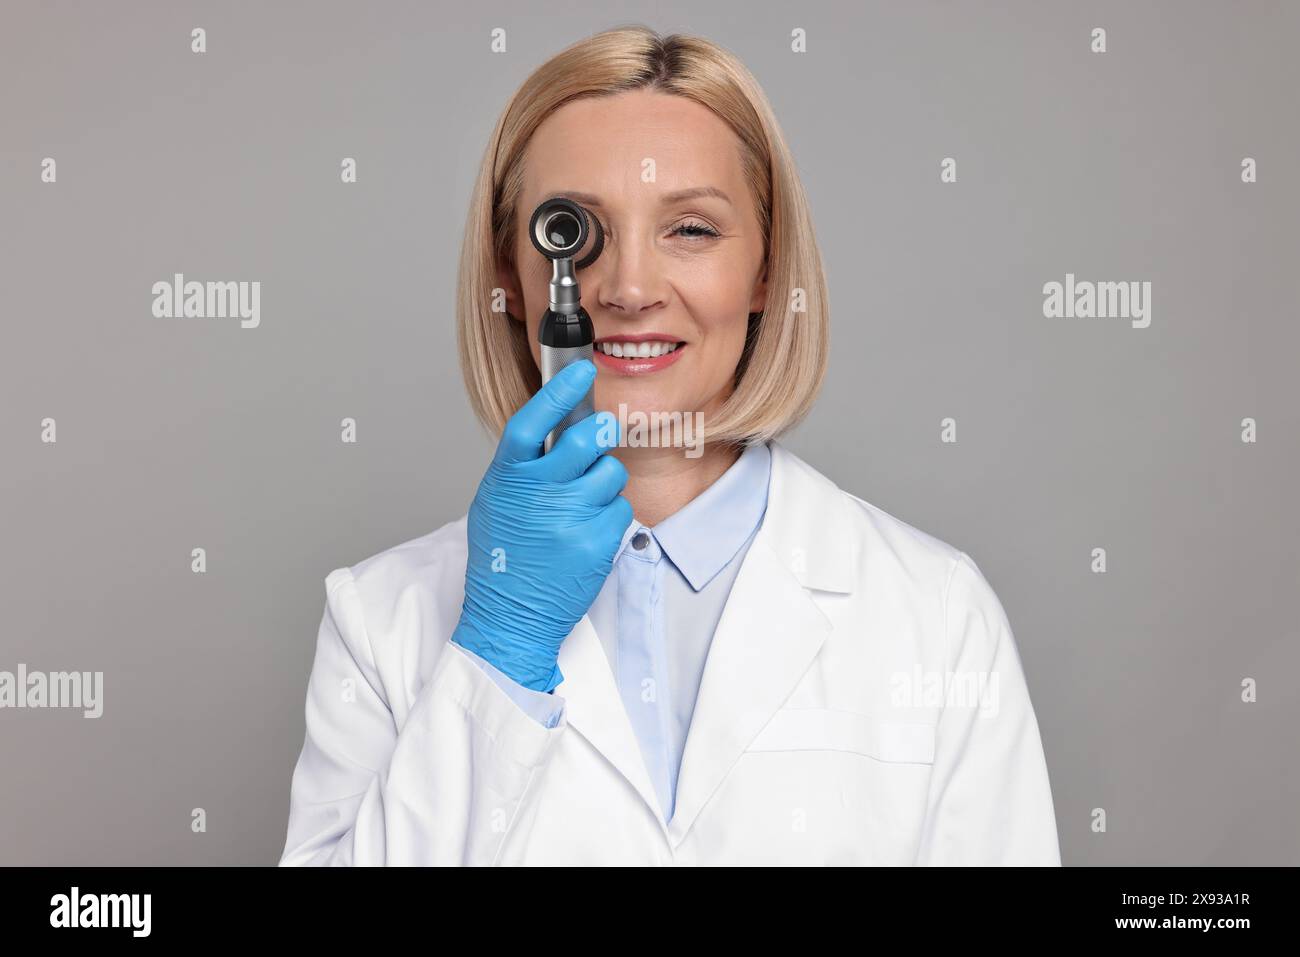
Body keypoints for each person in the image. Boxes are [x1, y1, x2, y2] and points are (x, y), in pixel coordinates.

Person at [278, 25, 1060, 866]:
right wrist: (498, 654)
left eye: (690, 229)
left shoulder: (934, 617)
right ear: (509, 273)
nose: (629, 290)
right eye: (574, 230)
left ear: (766, 271)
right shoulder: (381, 620)